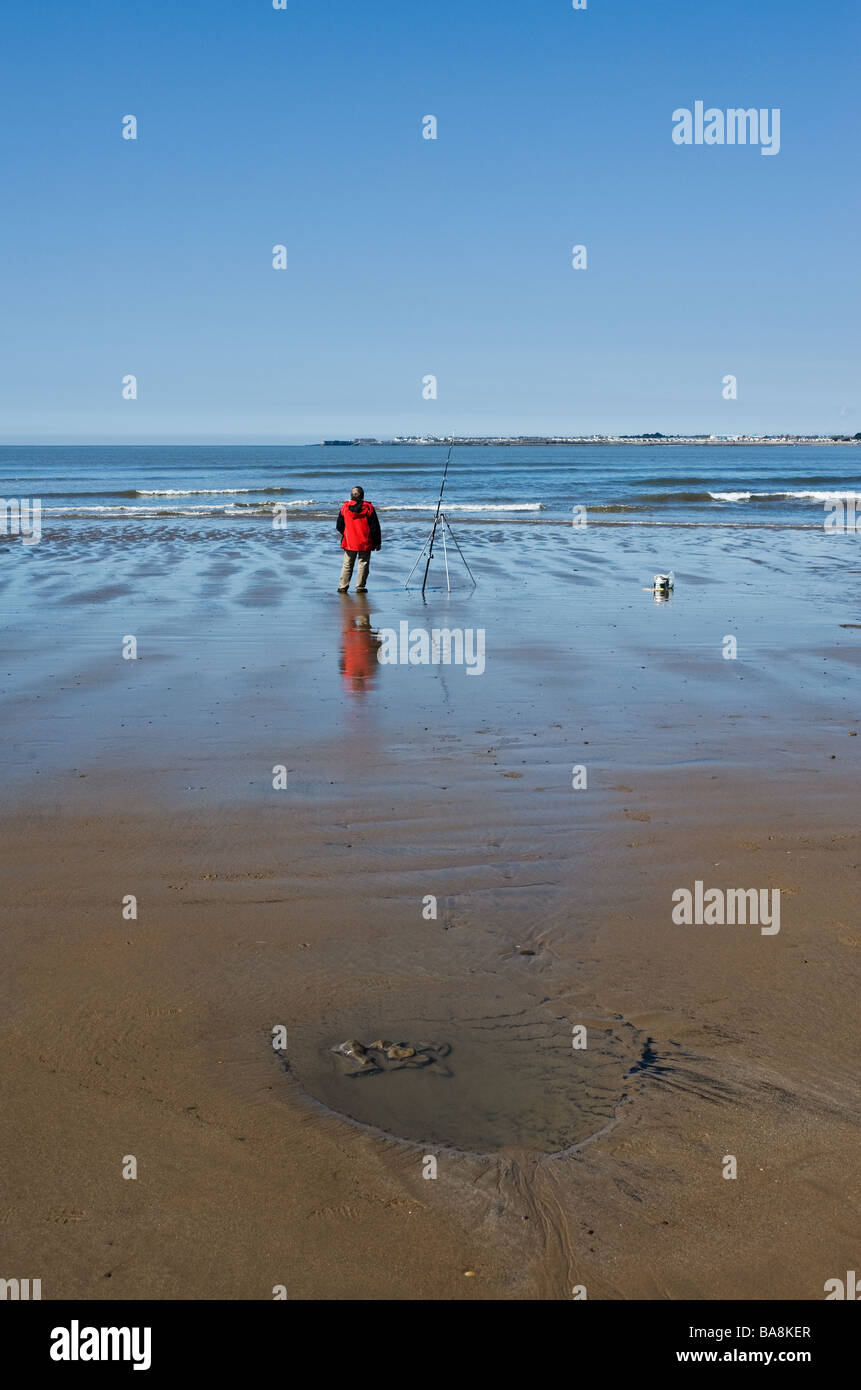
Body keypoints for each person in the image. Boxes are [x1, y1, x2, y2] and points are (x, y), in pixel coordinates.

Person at [336, 485, 381, 593]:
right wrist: (377, 542)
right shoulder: (368, 507)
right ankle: (360, 587)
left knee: (347, 564)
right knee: (363, 563)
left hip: (349, 540)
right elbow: (375, 527)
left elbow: (339, 525)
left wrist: (346, 533)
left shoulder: (345, 507)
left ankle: (343, 586)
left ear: (351, 496)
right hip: (364, 541)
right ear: (362, 496)